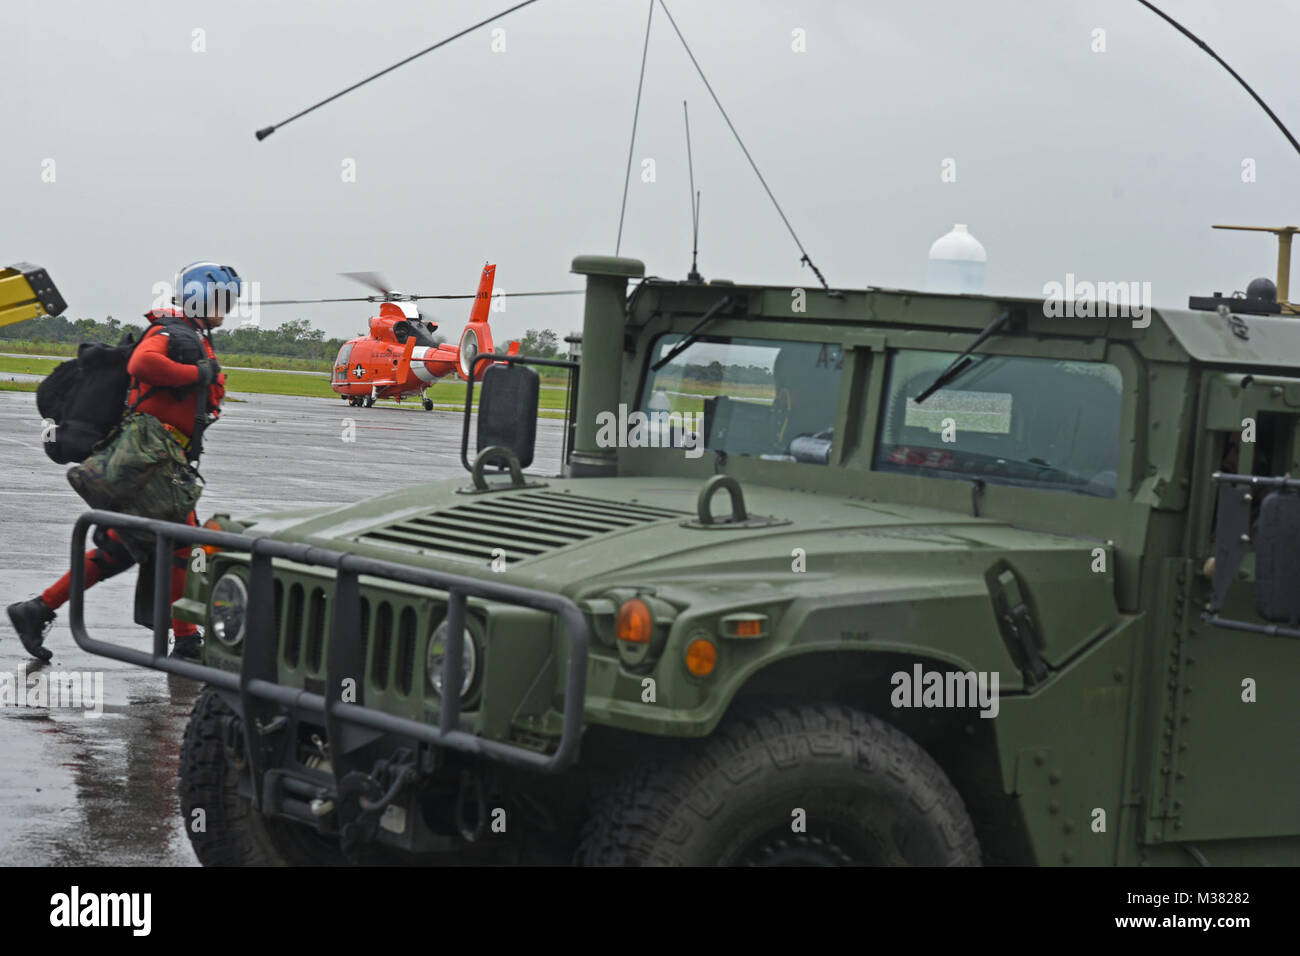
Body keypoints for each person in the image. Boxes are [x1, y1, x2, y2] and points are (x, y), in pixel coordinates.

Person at [7, 261, 236, 662]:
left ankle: (37, 609)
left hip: (163, 460)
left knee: (119, 549)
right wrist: (196, 373)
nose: (228, 308)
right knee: (182, 542)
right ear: (201, 297)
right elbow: (142, 364)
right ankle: (186, 641)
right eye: (222, 300)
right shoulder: (170, 331)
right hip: (150, 459)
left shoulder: (192, 334)